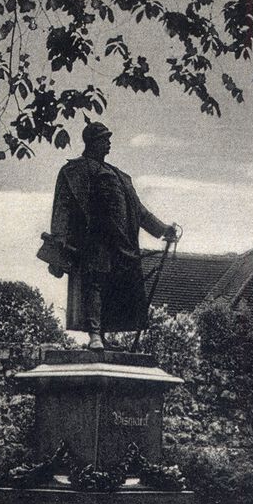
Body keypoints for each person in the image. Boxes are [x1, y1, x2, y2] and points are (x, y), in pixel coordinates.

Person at [39, 122, 179, 350]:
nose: (109, 143)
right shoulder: (74, 171)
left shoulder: (119, 176)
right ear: (92, 142)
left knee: (115, 287)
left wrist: (163, 229)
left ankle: (103, 335)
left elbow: (139, 211)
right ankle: (95, 335)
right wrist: (58, 246)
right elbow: (62, 209)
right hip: (93, 240)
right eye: (105, 139)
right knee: (94, 283)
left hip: (121, 244)